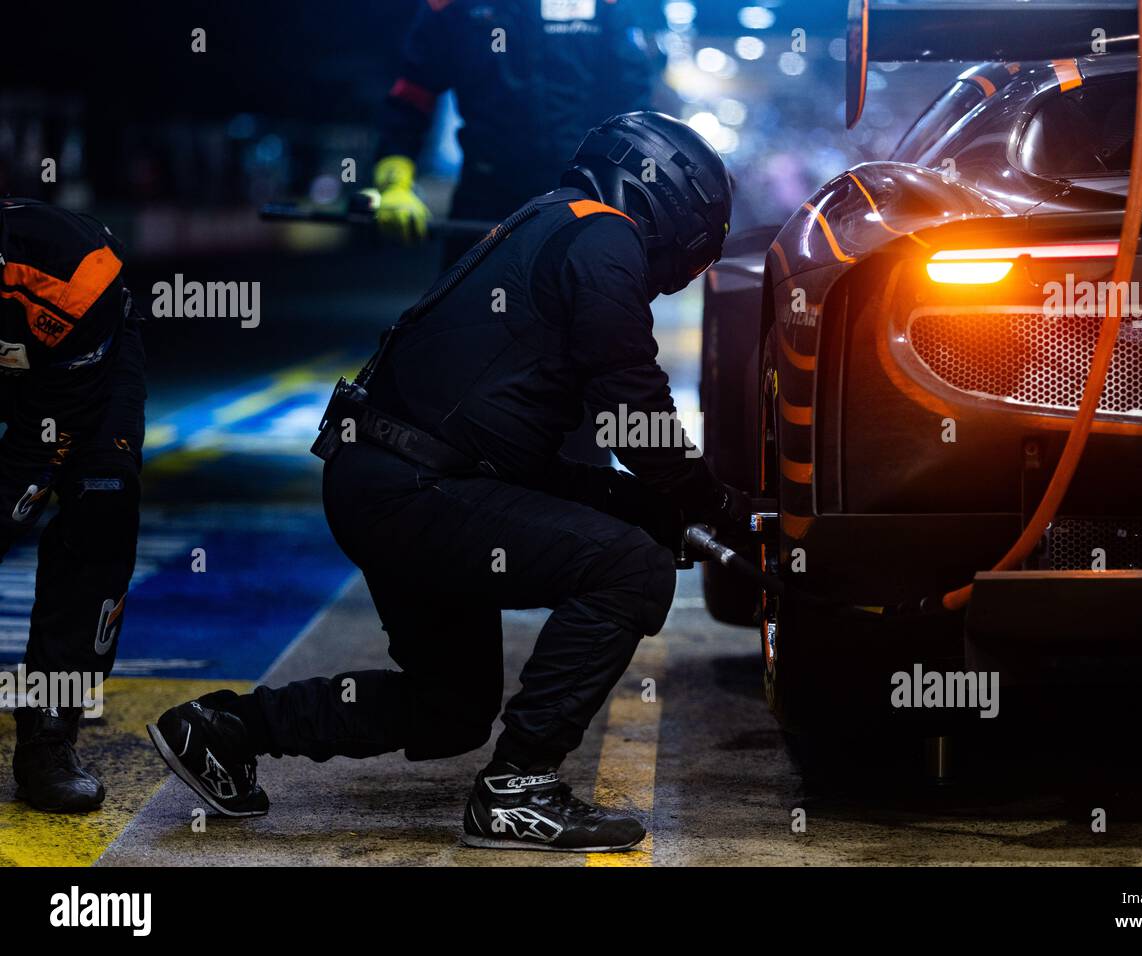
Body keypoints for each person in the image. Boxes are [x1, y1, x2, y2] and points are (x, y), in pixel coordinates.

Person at [147, 112, 747, 852]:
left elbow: (517, 446)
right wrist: (710, 504)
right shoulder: (603, 236)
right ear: (670, 201)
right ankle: (518, 789)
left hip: (390, 476)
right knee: (630, 567)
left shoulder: (549, 220)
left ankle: (228, 728)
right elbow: (632, 407)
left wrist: (645, 500)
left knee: (451, 708)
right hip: (415, 488)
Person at [0, 198, 146, 812]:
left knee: (101, 505)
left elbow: (39, 451)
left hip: (79, 371)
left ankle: (49, 734)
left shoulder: (73, 273)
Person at [372, 0, 664, 248]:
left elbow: (634, 103)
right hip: (485, 198)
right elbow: (411, 98)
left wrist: (639, 189)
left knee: (587, 311)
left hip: (582, 196)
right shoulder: (450, 5)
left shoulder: (603, 4)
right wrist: (395, 184)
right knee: (468, 312)